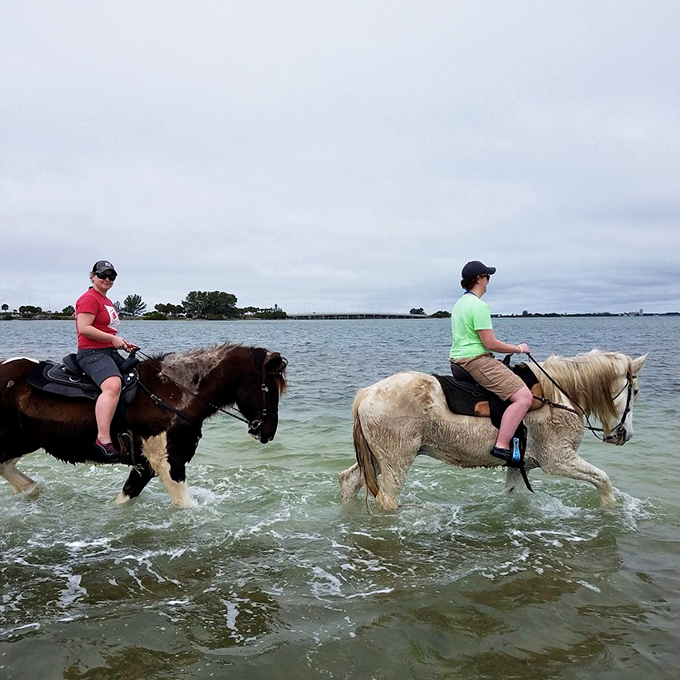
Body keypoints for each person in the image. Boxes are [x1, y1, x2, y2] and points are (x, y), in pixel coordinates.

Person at [449, 260, 534, 463]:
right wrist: (519, 349)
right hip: (476, 361)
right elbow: (490, 343)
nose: (488, 282)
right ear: (478, 279)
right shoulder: (478, 306)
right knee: (524, 397)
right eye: (487, 277)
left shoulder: (459, 304)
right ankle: (501, 445)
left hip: (458, 360)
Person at [75, 260, 138, 460]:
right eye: (102, 275)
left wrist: (121, 343)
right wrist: (112, 339)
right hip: (91, 353)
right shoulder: (89, 298)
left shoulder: (106, 300)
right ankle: (102, 438)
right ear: (92, 276)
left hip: (108, 351)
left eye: (111, 276)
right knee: (113, 385)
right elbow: (84, 328)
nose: (107, 279)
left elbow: (106, 330)